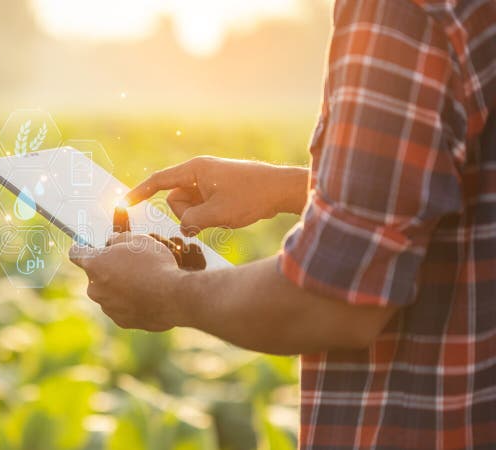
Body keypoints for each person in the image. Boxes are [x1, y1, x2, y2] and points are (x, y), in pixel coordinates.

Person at [69, 0, 496, 448]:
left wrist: (166, 292)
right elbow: (468, 187)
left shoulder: (398, 10)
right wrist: (293, 188)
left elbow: (333, 300)